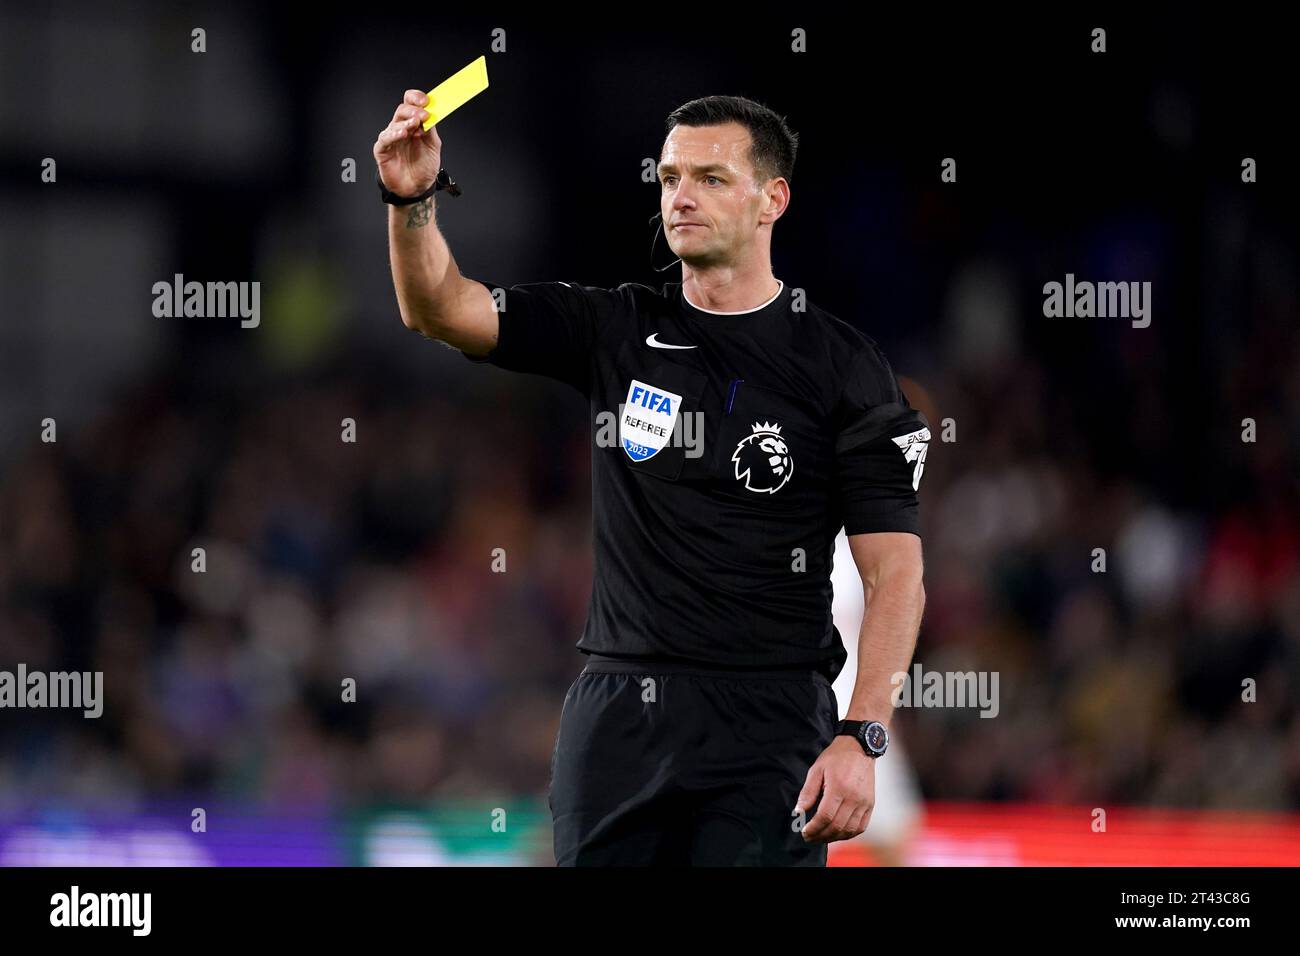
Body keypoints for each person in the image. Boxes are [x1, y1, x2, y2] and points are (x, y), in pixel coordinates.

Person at [375, 91, 929, 865]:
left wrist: (861, 735)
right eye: (669, 178)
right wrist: (410, 196)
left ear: (774, 199)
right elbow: (439, 308)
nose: (681, 196)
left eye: (709, 177)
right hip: (619, 715)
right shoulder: (616, 328)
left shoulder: (844, 368)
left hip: (770, 725)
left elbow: (894, 571)